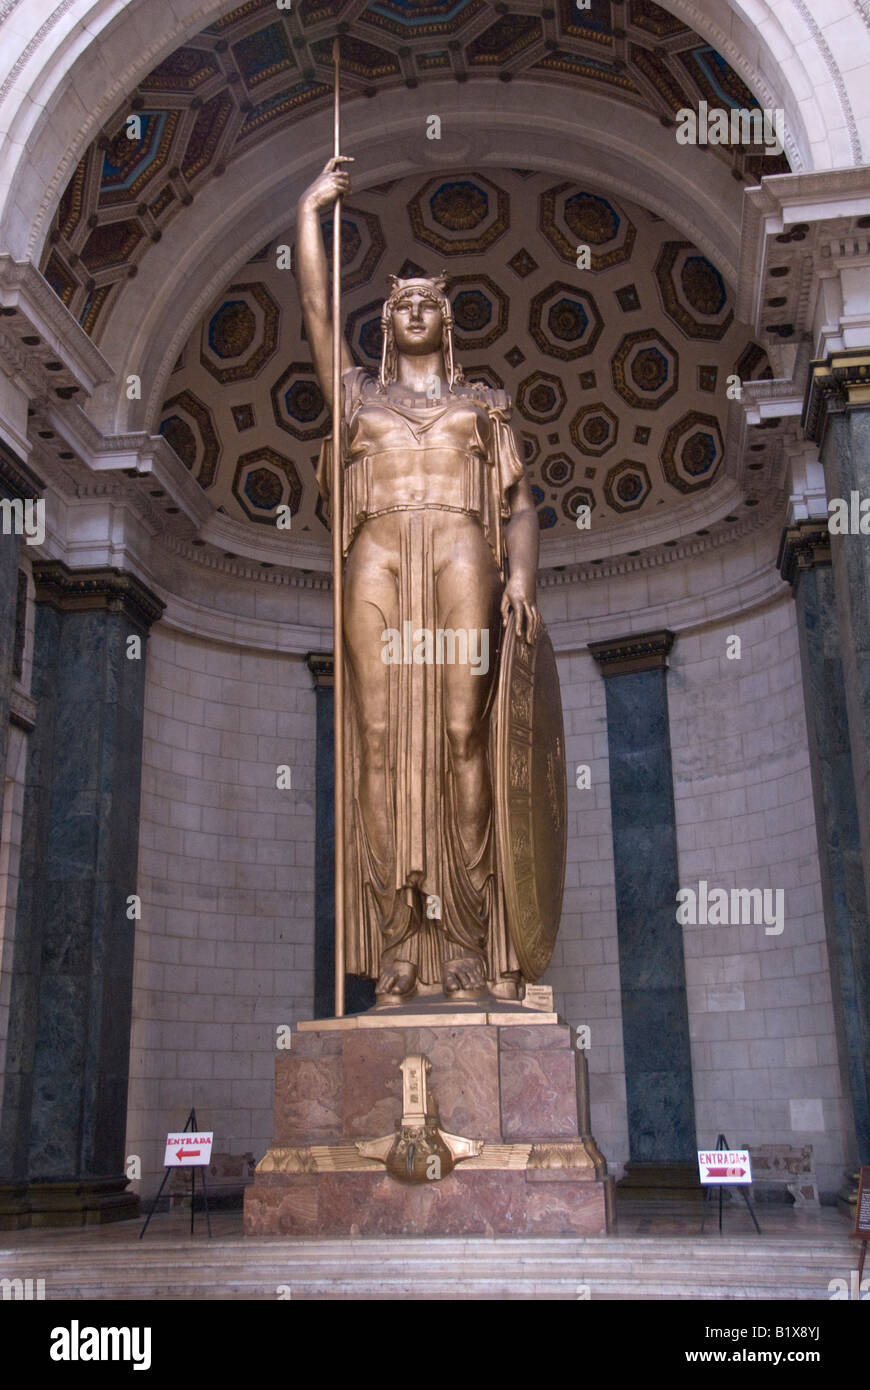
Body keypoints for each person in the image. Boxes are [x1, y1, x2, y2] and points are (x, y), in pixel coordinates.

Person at [296, 156, 541, 1006]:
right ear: (385, 324)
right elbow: (316, 307)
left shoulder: (484, 404)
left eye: (427, 301)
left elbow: (518, 506)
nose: (412, 310)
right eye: (399, 302)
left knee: (461, 732)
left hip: (462, 551)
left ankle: (467, 937)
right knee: (374, 738)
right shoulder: (355, 398)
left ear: (446, 320)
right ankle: (400, 941)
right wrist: (308, 210)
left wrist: (523, 584)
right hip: (378, 553)